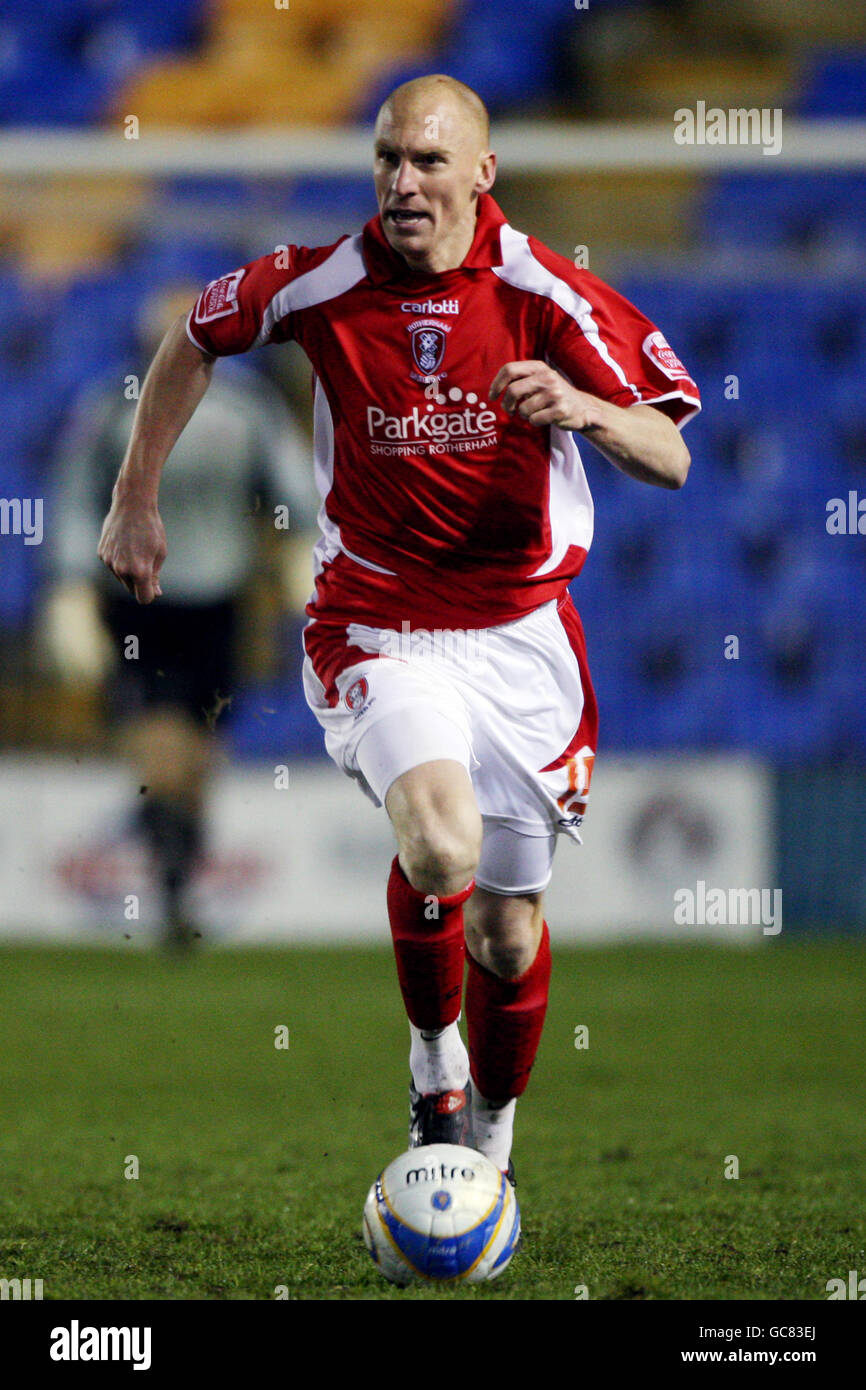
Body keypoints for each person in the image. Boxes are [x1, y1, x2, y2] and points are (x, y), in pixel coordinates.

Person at [98, 75, 700, 1173]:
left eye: (427, 161)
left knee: (506, 934)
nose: (402, 181)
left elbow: (670, 452)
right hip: (378, 624)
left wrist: (586, 409)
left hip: (521, 641)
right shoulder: (324, 277)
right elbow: (193, 333)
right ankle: (433, 1071)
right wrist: (136, 496)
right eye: (386, 158)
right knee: (437, 839)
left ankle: (494, 1137)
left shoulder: (544, 290)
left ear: (482, 174)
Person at [46, 283, 318, 949]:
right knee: (160, 740)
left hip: (218, 601)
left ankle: (177, 874)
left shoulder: (247, 408)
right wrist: (72, 589)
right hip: (135, 601)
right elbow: (79, 497)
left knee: (199, 757)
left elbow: (293, 490)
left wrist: (298, 551)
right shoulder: (111, 408)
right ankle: (170, 891)